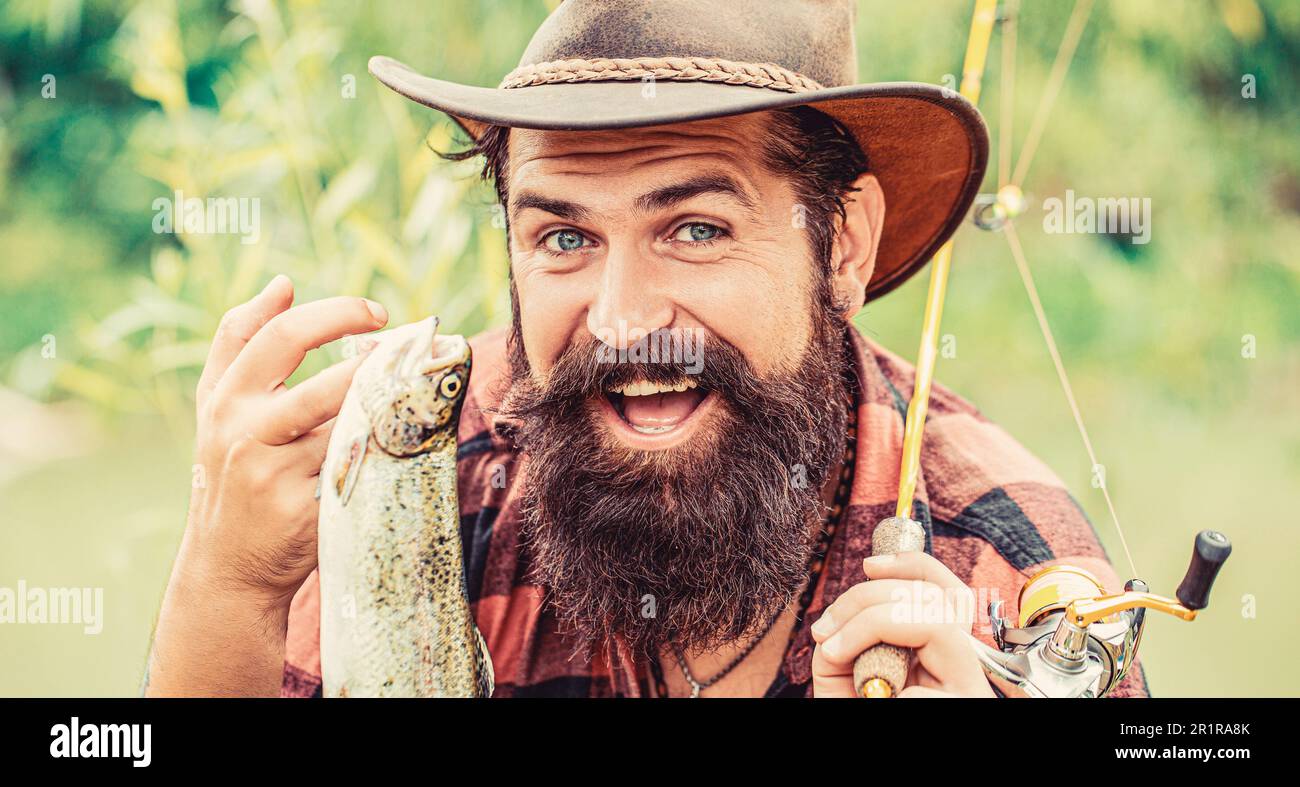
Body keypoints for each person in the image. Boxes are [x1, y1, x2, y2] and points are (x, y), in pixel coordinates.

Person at [145, 0, 1147, 698]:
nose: (622, 318)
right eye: (564, 237)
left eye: (696, 229)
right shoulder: (427, 475)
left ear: (839, 244)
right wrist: (225, 587)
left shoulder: (1010, 566)